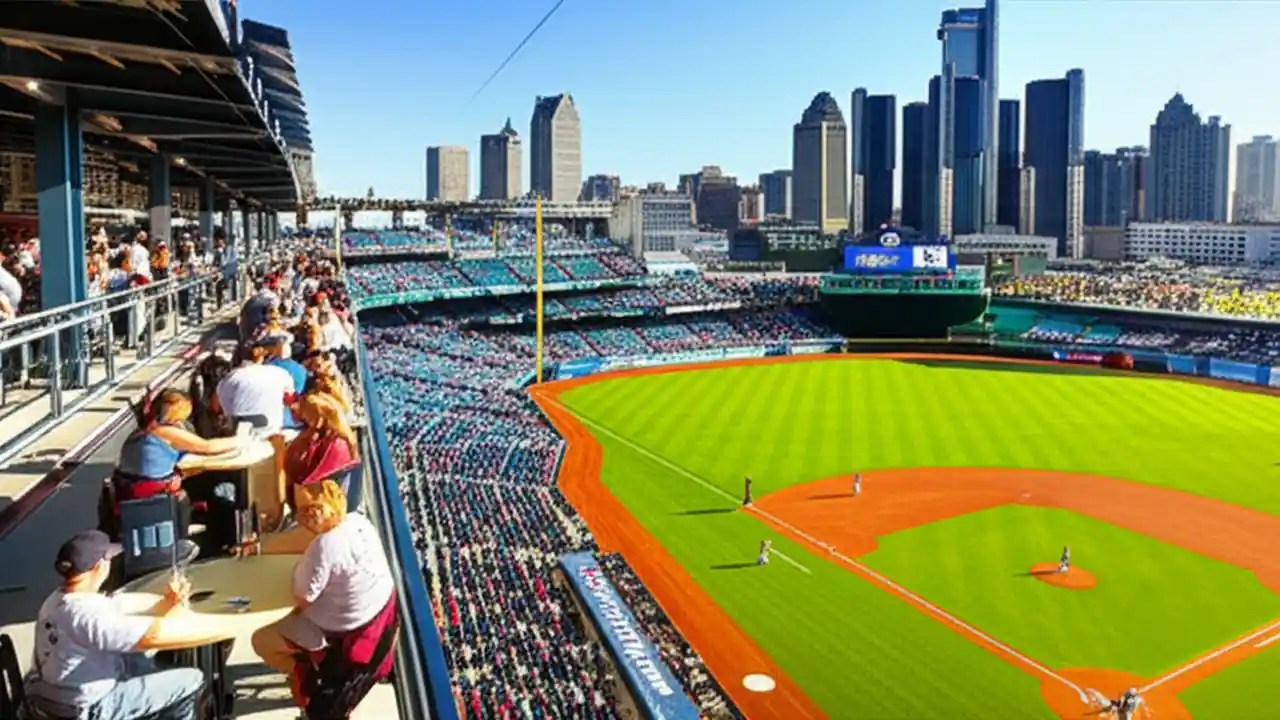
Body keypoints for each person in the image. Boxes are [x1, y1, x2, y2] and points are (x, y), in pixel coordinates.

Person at [22, 530, 215, 720]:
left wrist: (165, 605)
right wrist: (213, 629)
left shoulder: (55, 600)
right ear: (99, 567)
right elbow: (151, 636)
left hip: (50, 697)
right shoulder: (87, 614)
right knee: (191, 680)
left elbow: (121, 627)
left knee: (139, 658)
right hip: (88, 706)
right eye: (108, 559)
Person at [249, 480, 398, 715]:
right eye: (302, 511)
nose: (305, 517)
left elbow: (302, 597)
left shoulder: (324, 546)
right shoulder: (360, 522)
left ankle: (303, 672)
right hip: (377, 625)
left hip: (341, 637)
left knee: (262, 639)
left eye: (310, 509)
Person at [283, 392, 360, 512]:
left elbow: (299, 477)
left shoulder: (323, 447)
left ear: (317, 418)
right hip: (336, 503)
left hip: (316, 506)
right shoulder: (344, 441)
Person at [215, 327, 298, 432]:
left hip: (239, 435)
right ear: (260, 354)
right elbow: (291, 401)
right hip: (273, 433)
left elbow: (220, 407)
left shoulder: (231, 378)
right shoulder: (280, 374)